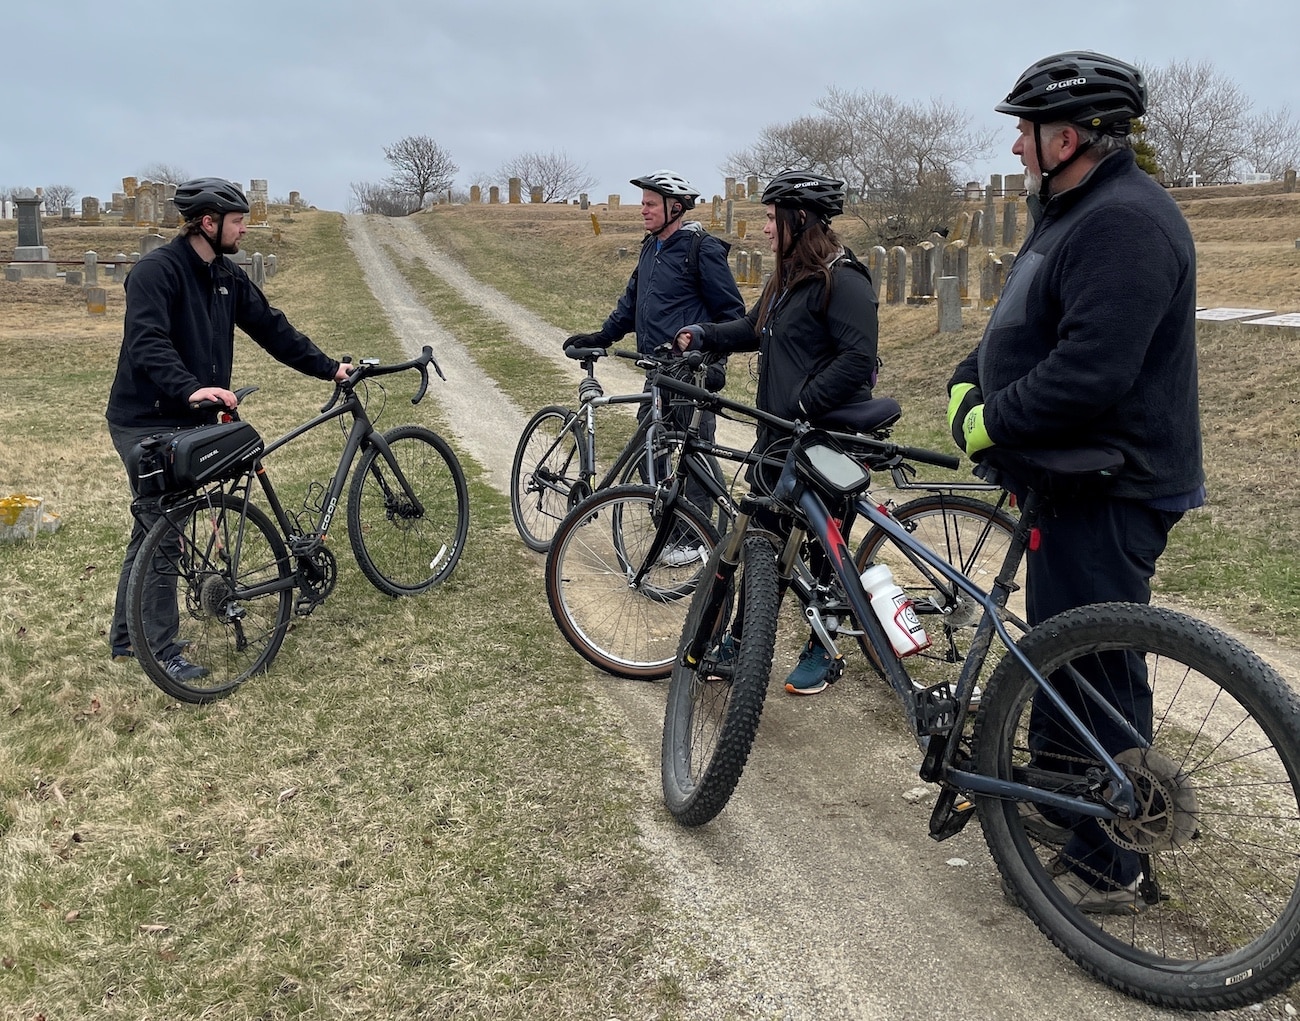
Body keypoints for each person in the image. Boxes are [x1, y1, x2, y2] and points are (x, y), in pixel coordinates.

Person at [946, 51, 1204, 912]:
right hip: (1065, 475)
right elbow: (1019, 324)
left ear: (1068, 135)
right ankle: (1062, 807)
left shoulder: (1125, 221)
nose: (1016, 145)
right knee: (1061, 648)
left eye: (1024, 129)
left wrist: (991, 419)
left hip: (1112, 480)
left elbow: (1091, 369)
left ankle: (1113, 861)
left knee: (1096, 664)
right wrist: (966, 375)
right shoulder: (1071, 208)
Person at [105, 177, 351, 683]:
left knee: (152, 524)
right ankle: (161, 647)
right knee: (167, 529)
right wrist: (191, 388)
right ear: (208, 222)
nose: (244, 229)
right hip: (145, 420)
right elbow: (147, 343)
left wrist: (329, 368)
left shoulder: (225, 275)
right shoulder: (157, 271)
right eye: (237, 221)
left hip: (189, 417)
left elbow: (271, 326)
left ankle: (130, 638)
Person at [675, 169, 881, 695]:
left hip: (822, 437)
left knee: (818, 547)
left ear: (800, 219)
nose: (765, 228)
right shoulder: (787, 278)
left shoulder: (844, 278)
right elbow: (752, 330)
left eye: (771, 218)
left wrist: (806, 403)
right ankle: (742, 643)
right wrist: (702, 333)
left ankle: (824, 648)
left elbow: (859, 359)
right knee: (762, 538)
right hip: (778, 437)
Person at [564, 170, 744, 565]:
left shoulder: (701, 248)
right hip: (657, 370)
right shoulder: (651, 248)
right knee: (651, 445)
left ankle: (694, 539)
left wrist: (708, 353)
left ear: (674, 207)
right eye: (642, 203)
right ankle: (668, 522)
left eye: (649, 204)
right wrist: (601, 337)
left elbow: (733, 314)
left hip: (691, 372)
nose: (642, 210)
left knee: (691, 451)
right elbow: (631, 306)